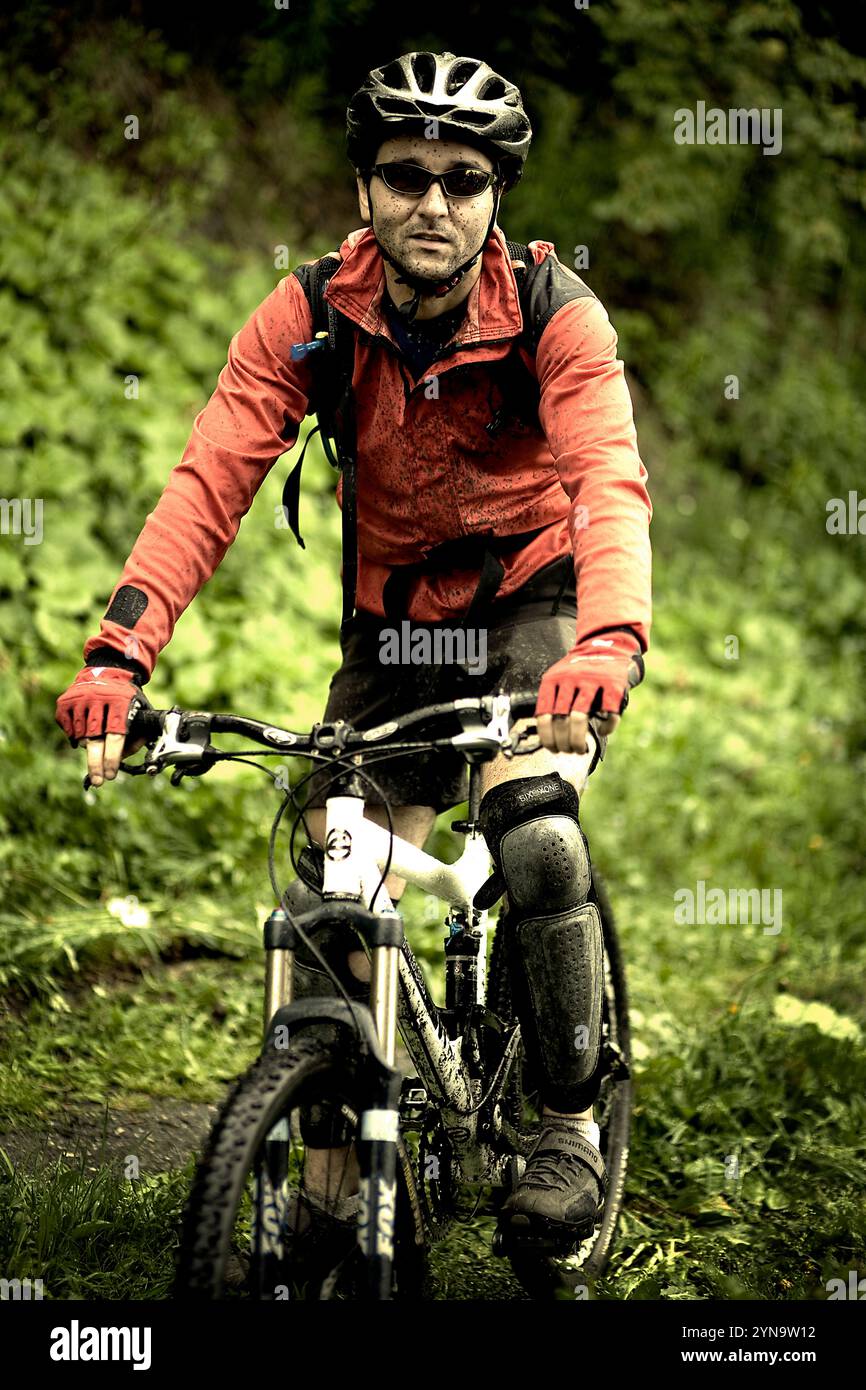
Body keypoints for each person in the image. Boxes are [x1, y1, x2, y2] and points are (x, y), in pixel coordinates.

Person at [55, 50, 652, 1261]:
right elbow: (206, 484)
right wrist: (120, 655)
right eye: (405, 173)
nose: (434, 202)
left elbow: (606, 481)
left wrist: (604, 639)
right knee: (335, 888)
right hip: (390, 631)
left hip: (532, 606)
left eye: (463, 179)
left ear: (496, 196)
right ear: (366, 185)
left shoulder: (552, 312)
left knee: (534, 828)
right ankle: (332, 1194)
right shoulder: (311, 312)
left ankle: (568, 1123)